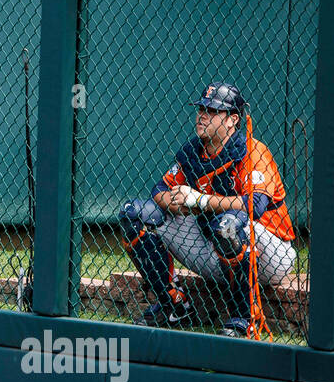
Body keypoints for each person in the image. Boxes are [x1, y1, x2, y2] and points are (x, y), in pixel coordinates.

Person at [118, 83, 296, 337]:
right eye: (201, 108)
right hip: (213, 245)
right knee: (134, 213)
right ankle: (175, 306)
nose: (202, 114)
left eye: (212, 110)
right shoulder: (195, 151)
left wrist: (200, 201)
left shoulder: (253, 150)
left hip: (270, 253)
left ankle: (245, 319)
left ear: (233, 119)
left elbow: (254, 206)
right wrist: (175, 201)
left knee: (228, 225)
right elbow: (159, 189)